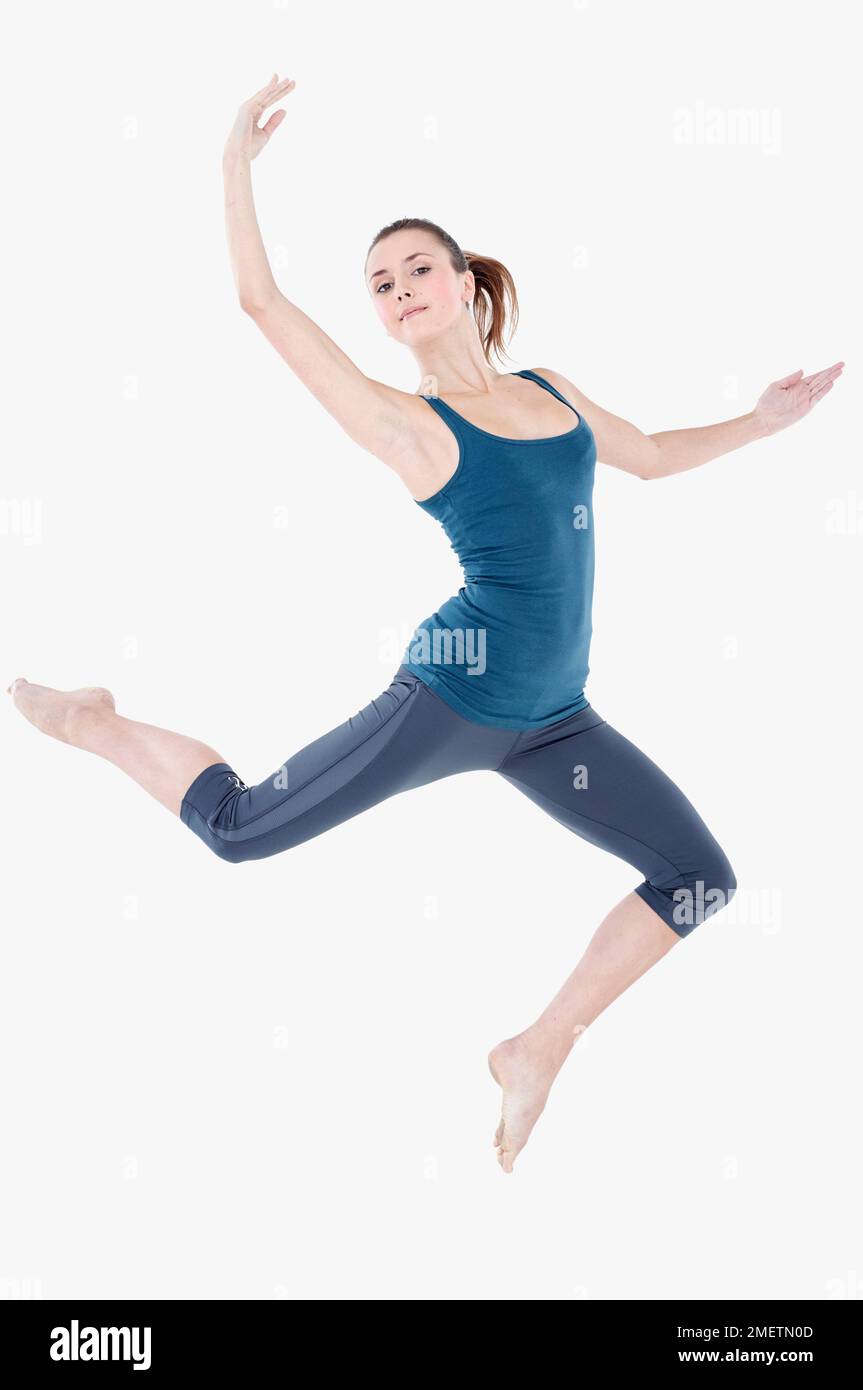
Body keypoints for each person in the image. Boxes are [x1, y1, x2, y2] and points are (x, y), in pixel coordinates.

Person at [6, 73, 844, 1173]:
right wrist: (231, 168)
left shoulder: (550, 389)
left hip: (556, 722)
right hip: (445, 701)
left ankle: (536, 1047)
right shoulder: (408, 423)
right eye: (377, 284)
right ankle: (90, 722)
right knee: (241, 830)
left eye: (414, 269)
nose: (397, 289)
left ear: (462, 283)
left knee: (697, 877)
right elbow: (263, 308)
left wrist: (760, 423)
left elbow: (643, 452)